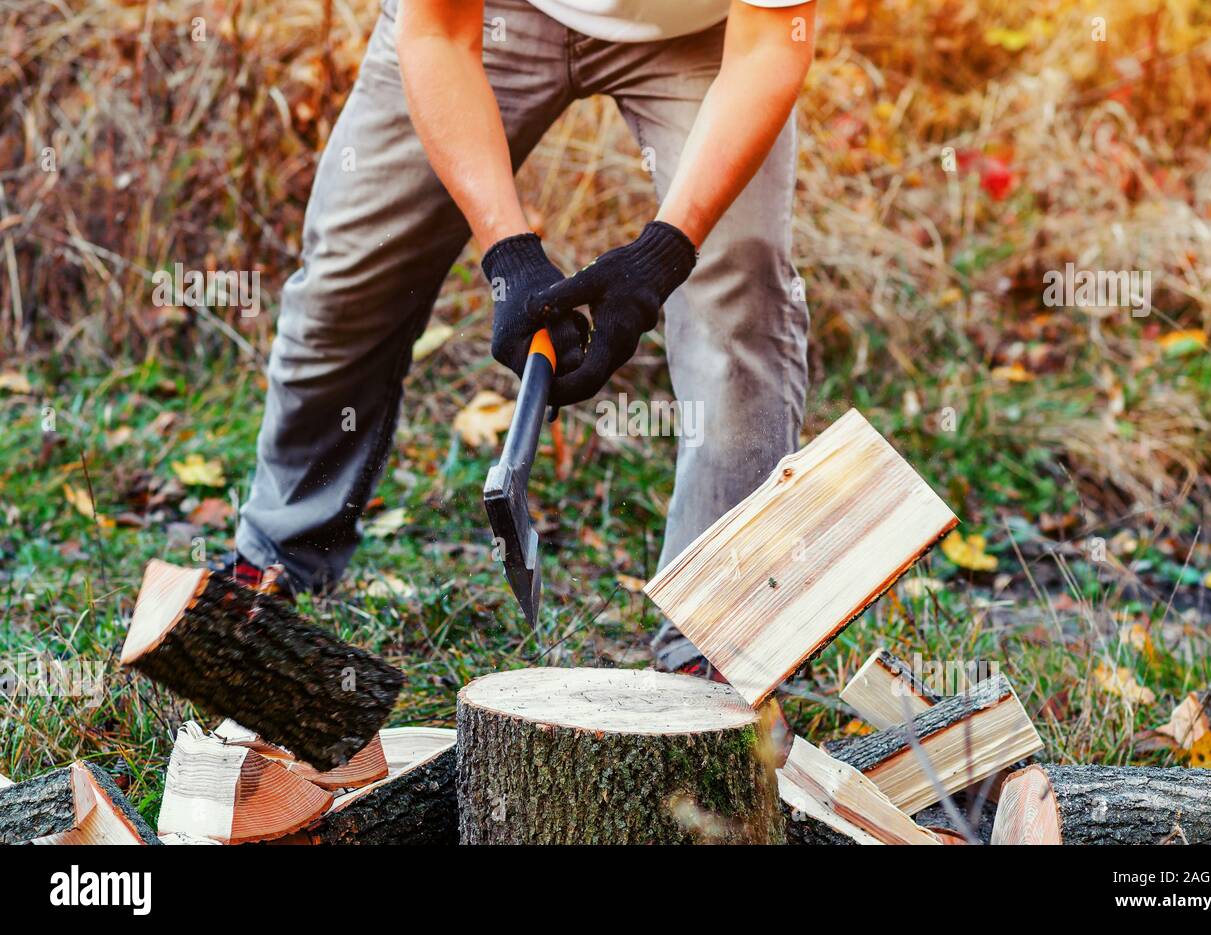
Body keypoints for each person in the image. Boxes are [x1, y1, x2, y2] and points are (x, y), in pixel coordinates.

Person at [227, 0, 816, 677]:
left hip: (703, 35)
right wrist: (508, 255)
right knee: (353, 268)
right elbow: (438, 33)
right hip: (493, 13)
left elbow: (771, 45)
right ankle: (277, 557)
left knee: (739, 295)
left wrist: (664, 253)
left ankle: (717, 642)